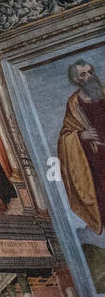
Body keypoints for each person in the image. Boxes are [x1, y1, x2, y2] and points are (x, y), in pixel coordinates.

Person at [59, 61, 105, 233]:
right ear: (75, 80)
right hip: (95, 159)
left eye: (90, 72)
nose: (89, 76)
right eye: (83, 75)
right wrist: (80, 136)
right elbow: (65, 135)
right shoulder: (74, 103)